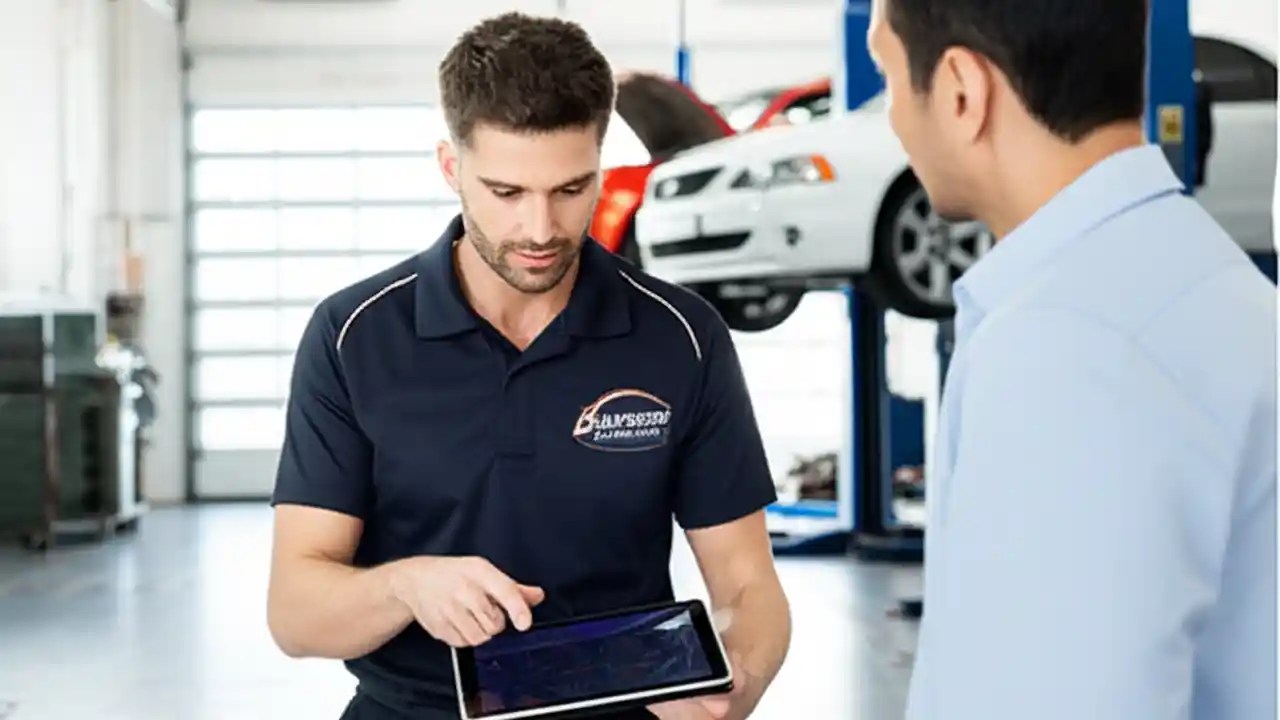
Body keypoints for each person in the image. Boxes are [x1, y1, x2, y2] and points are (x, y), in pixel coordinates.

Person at [265, 11, 791, 720]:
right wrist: (406, 586)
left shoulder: (683, 338)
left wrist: (738, 682)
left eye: (570, 190)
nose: (540, 230)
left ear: (600, 168)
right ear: (451, 168)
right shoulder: (352, 335)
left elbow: (749, 587)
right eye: (507, 193)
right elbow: (295, 613)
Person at [865, 0, 1277, 717]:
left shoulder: (1063, 352)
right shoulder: (1213, 284)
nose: (892, 116)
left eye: (888, 76)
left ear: (962, 92)